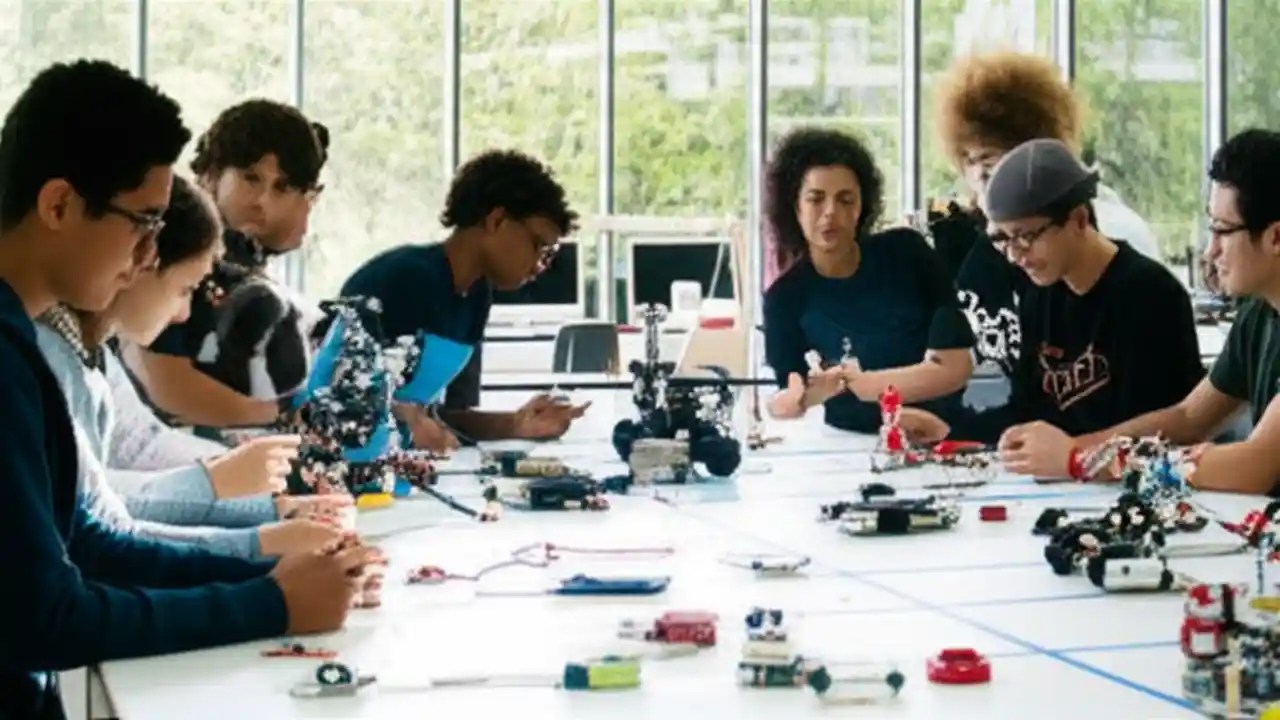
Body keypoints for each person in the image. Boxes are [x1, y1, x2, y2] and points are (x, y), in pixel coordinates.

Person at [0, 60, 371, 720]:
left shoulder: (22, 342)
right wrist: (271, 604)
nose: (149, 256)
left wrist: (277, 580)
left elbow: (88, 544)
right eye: (143, 224)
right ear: (58, 204)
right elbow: (45, 617)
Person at [35, 175, 345, 558]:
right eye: (184, 290)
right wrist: (251, 539)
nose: (183, 314)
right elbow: (100, 520)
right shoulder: (46, 355)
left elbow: (137, 452)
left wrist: (267, 507)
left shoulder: (90, 352)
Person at [998, 129, 1280, 494]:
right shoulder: (1257, 314)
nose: (1210, 252)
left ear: (1275, 237)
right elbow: (1189, 417)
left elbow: (1251, 467)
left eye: (1222, 231)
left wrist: (1080, 461)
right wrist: (1078, 451)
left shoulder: (1147, 290)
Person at [904, 138, 1203, 447]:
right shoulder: (1041, 291)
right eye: (1002, 239)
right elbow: (1028, 412)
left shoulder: (1151, 295)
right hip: (1064, 480)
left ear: (1079, 220)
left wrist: (1071, 455)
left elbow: (1169, 429)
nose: (1013, 255)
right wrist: (948, 430)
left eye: (1026, 236)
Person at [932, 51, 1160, 376]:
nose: (980, 182)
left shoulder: (1104, 240)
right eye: (969, 163)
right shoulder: (985, 248)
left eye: (990, 164)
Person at [339, 149, 588, 446]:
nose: (540, 266)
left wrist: (517, 424)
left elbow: (446, 417)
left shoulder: (476, 295)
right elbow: (340, 399)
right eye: (539, 246)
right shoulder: (402, 280)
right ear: (496, 221)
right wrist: (408, 427)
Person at [124, 99, 329, 428]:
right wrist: (283, 415)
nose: (262, 201)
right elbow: (168, 386)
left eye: (281, 188)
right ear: (211, 174)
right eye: (251, 178)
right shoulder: (177, 242)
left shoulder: (246, 264)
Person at [761, 127, 975, 434]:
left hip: (944, 433)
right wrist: (794, 399)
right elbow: (789, 391)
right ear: (795, 207)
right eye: (816, 200)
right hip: (851, 443)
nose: (830, 213)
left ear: (863, 207)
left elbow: (957, 367)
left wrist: (863, 385)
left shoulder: (908, 252)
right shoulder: (784, 297)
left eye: (846, 200)